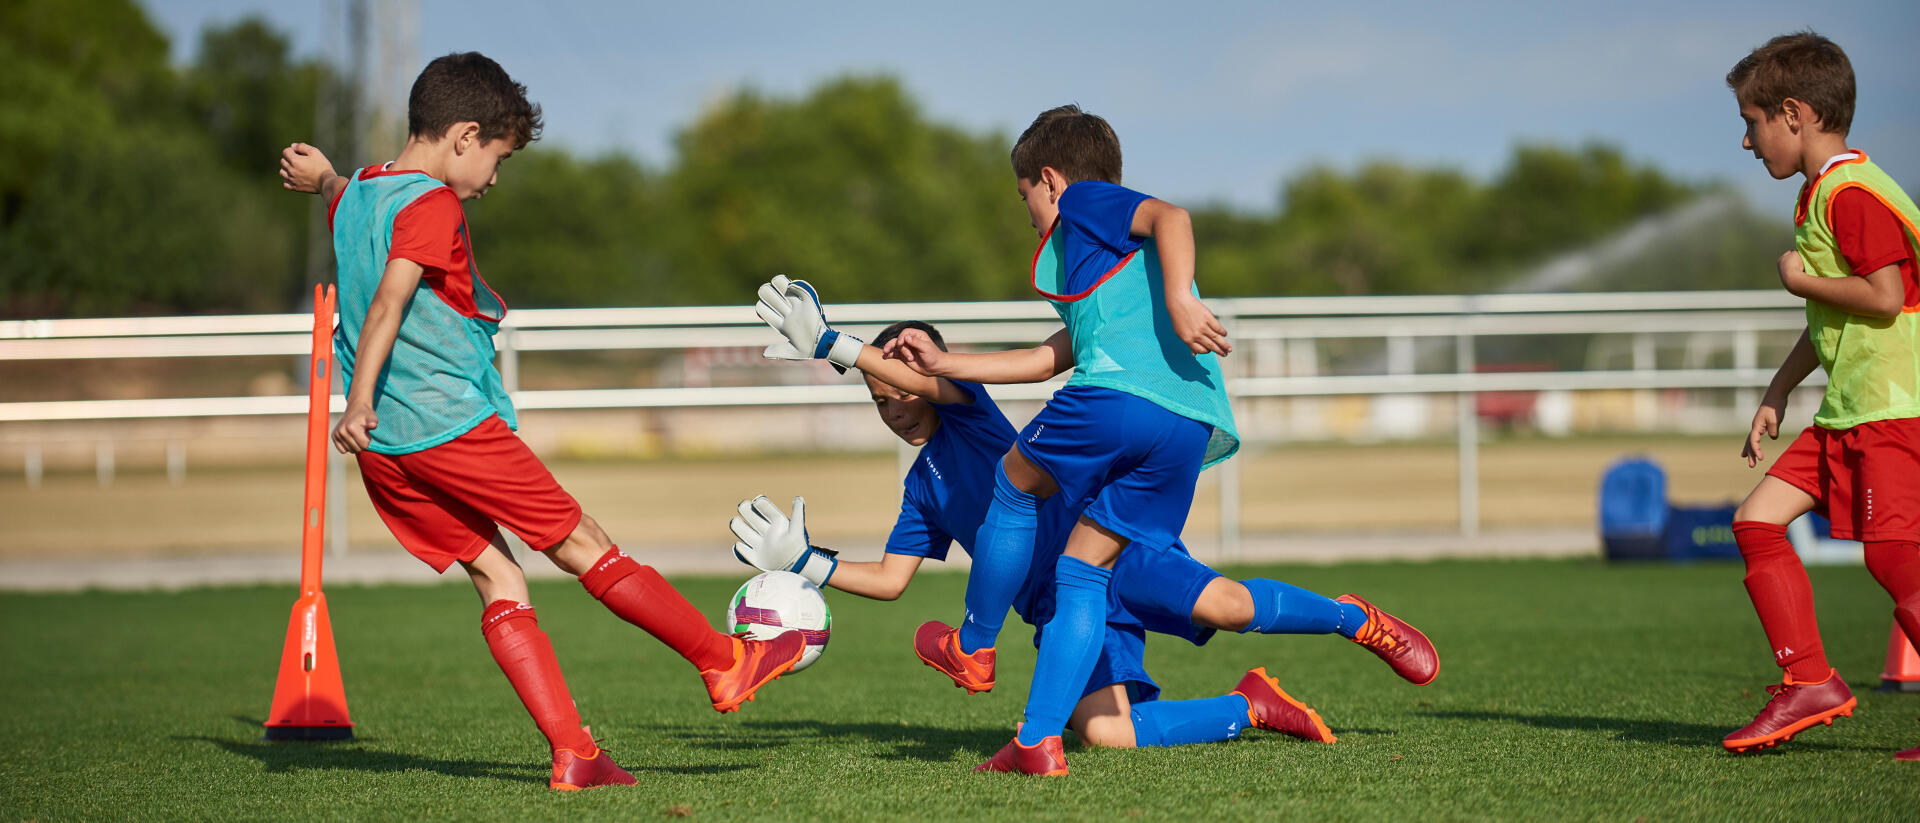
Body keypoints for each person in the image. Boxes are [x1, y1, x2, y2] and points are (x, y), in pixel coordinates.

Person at [277, 52, 805, 790]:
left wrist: (323, 176)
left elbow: (342, 192)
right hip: (449, 426)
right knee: (581, 541)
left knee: (498, 575)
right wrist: (357, 395)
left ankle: (575, 753)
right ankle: (725, 661)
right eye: (496, 157)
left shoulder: (360, 193)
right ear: (463, 136)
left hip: (391, 449)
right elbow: (391, 302)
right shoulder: (432, 204)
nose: (493, 178)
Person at [736, 316, 1371, 752]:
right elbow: (889, 579)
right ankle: (1250, 704)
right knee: (1106, 735)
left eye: (898, 391)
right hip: (1057, 609)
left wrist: (831, 342)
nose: (893, 408)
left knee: (1228, 607)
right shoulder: (921, 487)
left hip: (1107, 550)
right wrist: (804, 561)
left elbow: (932, 379)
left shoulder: (970, 412)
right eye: (878, 400)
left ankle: (1352, 618)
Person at [1722, 32, 1920, 761]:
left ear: (1795, 113)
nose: (1747, 142)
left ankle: (1810, 681)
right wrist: (1778, 389)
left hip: (1895, 410)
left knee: (1897, 564)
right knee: (1757, 521)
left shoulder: (1851, 192)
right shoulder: (1822, 192)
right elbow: (1839, 314)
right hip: (1851, 409)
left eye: (1752, 123)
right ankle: (1808, 680)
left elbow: (1883, 296)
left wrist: (1800, 281)